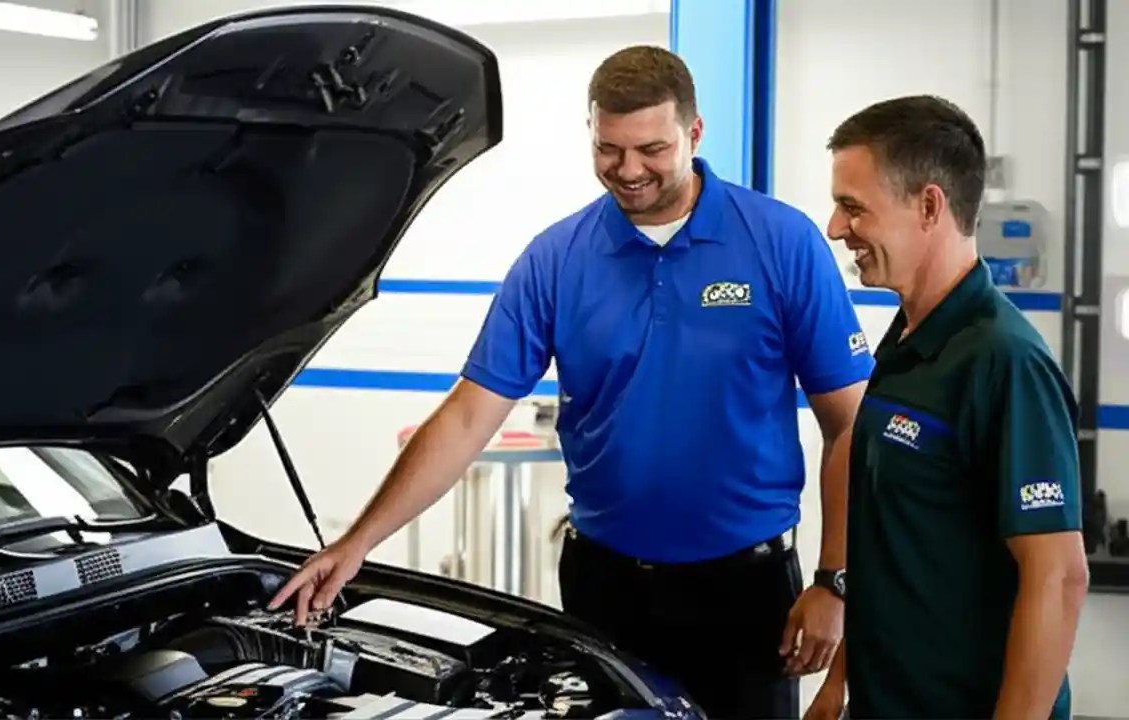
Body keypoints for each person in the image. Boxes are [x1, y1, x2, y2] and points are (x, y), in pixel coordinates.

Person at [270, 45, 872, 719]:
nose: (629, 170)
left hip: (746, 591)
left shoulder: (781, 242)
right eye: (608, 149)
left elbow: (851, 424)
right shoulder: (556, 258)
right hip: (605, 591)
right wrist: (358, 543)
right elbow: (469, 416)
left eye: (651, 148)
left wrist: (835, 581)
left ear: (695, 134)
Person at [806, 95, 1089, 720]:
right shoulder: (906, 341)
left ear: (928, 205)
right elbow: (895, 548)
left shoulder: (1004, 361)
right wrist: (842, 683)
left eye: (854, 208)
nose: (834, 227)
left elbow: (1059, 578)